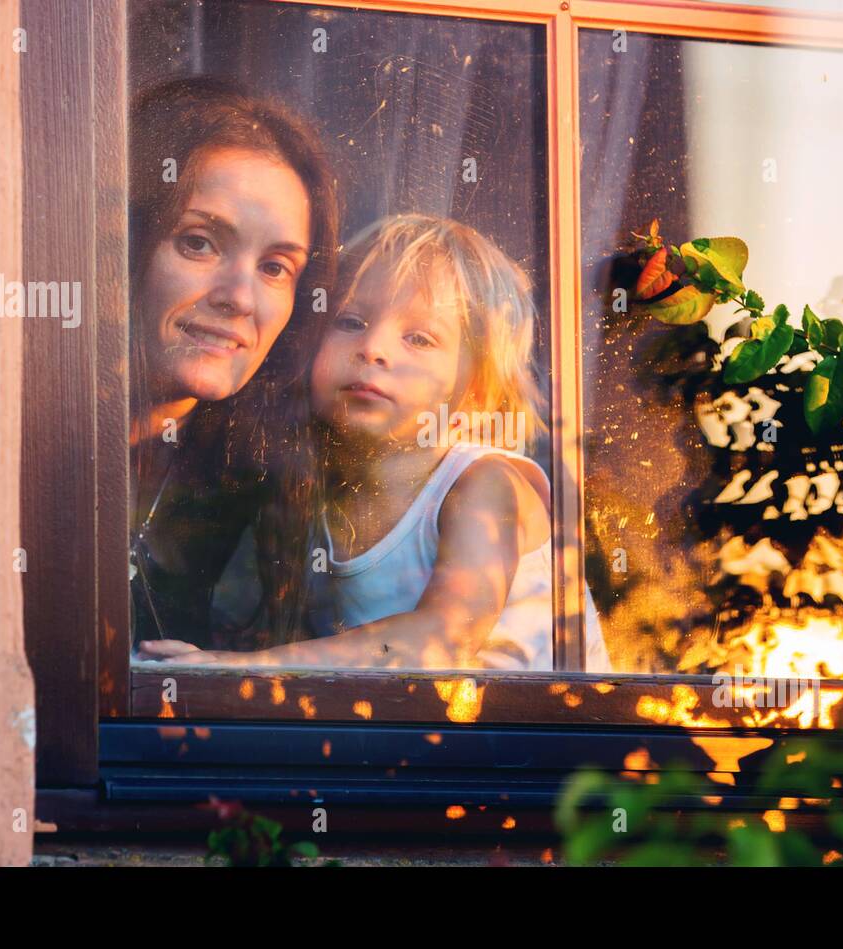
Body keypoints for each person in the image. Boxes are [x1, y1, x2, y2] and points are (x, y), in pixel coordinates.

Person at [139, 214, 611, 671]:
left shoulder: (484, 485)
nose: (374, 348)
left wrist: (245, 669)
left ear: (476, 391)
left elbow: (442, 640)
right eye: (350, 322)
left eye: (420, 339)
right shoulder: (310, 492)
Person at [127, 77, 338, 651]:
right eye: (199, 243)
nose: (240, 298)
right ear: (122, 240)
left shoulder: (274, 484)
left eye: (275, 267)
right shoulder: (15, 453)